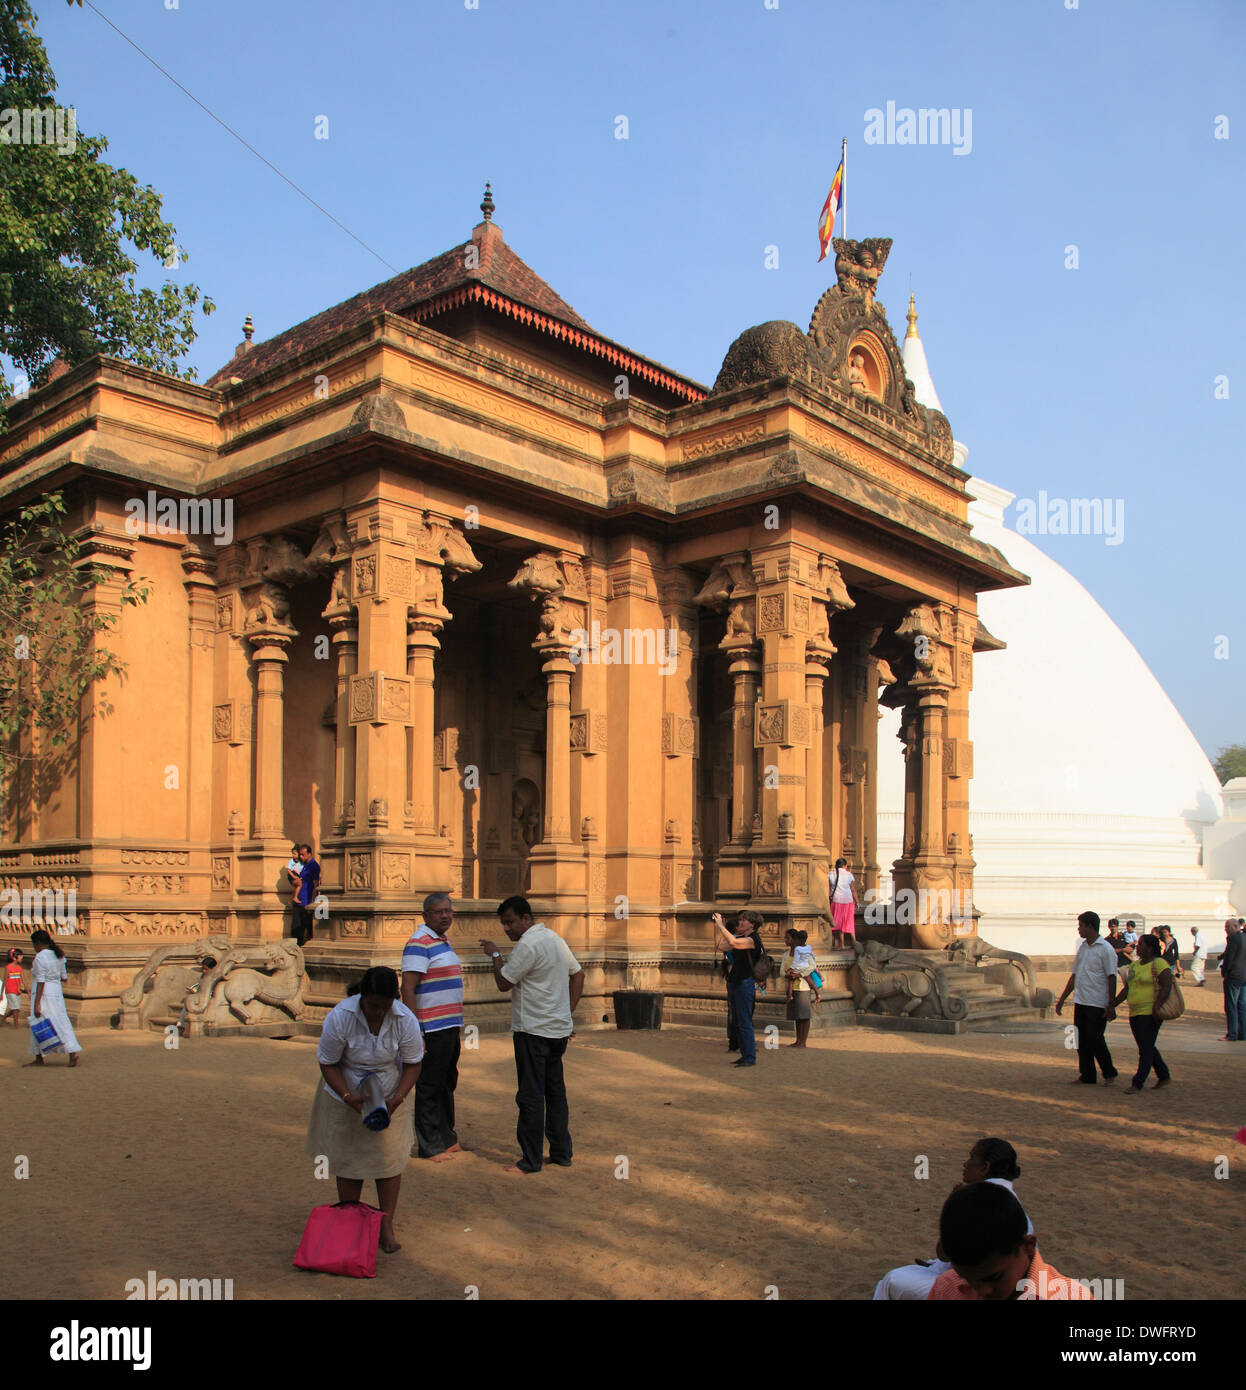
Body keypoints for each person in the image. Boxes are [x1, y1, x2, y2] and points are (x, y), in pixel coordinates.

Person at [304, 966, 422, 1254]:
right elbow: (328, 1063)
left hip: (390, 1088)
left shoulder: (404, 1019)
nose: (379, 1012)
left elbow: (413, 1063)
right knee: (349, 1159)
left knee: (390, 1160)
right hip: (346, 1087)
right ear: (362, 998)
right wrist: (348, 1096)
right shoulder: (341, 1016)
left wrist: (396, 1099)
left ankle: (386, 1225)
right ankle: (351, 1223)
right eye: (373, 1005)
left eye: (385, 1006)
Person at [480, 896, 584, 1174]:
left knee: (531, 1095)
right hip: (555, 1031)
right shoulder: (554, 938)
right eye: (503, 923)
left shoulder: (528, 944)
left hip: (532, 1031)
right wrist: (566, 1014)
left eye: (510, 922)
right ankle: (561, 1153)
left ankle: (530, 1160)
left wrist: (495, 955)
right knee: (555, 1092)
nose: (507, 928)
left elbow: (504, 983)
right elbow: (578, 975)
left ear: (526, 919)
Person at [874, 1137, 1032, 1301]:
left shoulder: (980, 1199)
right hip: (1007, 1285)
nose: (965, 1164)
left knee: (891, 1280)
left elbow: (943, 1253)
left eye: (971, 1158)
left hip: (978, 1289)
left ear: (985, 1167)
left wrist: (951, 1207)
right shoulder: (1009, 1197)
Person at [927, 1183, 1093, 1300]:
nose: (982, 1291)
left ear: (1028, 1246)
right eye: (967, 1279)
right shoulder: (946, 1288)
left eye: (995, 1277)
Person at [401, 893, 465, 1162]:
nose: (445, 916)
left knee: (447, 1081)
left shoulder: (443, 941)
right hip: (431, 1027)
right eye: (439, 912)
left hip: (449, 1024)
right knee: (429, 1084)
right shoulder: (418, 943)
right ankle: (429, 1145)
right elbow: (408, 986)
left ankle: (446, 1136)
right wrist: (415, 1028)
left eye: (448, 911)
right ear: (426, 915)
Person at [1054, 910, 1119, 1085]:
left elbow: (1111, 977)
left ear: (1090, 926)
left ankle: (1109, 1072)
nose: (1079, 929)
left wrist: (1110, 1004)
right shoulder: (1083, 947)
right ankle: (1087, 1074)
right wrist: (1062, 999)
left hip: (1097, 1002)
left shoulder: (1106, 950)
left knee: (1096, 1039)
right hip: (1081, 1000)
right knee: (1080, 1040)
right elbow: (1075, 975)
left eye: (1081, 925)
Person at [1112, 932, 1174, 1094]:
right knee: (1146, 1046)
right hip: (1135, 1012)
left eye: (1141, 944)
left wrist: (1157, 1006)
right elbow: (1128, 989)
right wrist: (1113, 1004)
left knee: (1145, 1048)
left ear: (1150, 948)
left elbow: (1167, 986)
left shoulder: (1159, 964)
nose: (1137, 947)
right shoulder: (1135, 966)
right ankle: (1164, 1075)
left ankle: (1138, 1082)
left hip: (1150, 1012)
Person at [712, 910, 764, 1068]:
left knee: (744, 1021)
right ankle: (745, 1054)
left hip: (744, 983)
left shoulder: (753, 939)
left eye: (744, 921)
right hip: (735, 981)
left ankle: (750, 1057)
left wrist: (721, 925)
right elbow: (720, 945)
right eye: (740, 920)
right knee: (738, 1021)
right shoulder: (741, 937)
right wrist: (716, 926)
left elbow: (733, 943)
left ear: (752, 924)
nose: (740, 923)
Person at [27, 929, 82, 1066]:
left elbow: (41, 981)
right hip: (56, 992)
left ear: (38, 943)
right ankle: (72, 1052)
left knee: (39, 1024)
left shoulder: (40, 958)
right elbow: (64, 977)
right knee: (62, 1023)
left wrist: (36, 1004)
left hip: (43, 994)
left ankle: (39, 1057)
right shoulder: (59, 956)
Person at [780, 928, 817, 1049]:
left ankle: (803, 1041)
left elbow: (812, 966)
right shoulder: (786, 954)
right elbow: (781, 971)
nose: (786, 940)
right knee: (797, 1016)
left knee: (804, 1016)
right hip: (792, 985)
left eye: (788, 938)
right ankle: (798, 1040)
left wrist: (799, 974)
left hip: (802, 987)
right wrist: (788, 975)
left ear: (794, 940)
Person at [1220, 918, 1246, 1042]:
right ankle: (1242, 1033)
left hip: (1234, 976)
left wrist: (1224, 972)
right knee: (1241, 1005)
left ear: (1235, 926)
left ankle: (1232, 1034)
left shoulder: (1233, 938)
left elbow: (1230, 958)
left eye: (1227, 927)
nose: (1226, 929)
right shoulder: (1244, 937)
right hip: (1243, 976)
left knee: (1231, 1005)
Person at [292, 843, 320, 948]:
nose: (301, 857)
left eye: (303, 854)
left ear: (309, 854)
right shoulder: (302, 865)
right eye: (300, 854)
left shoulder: (314, 866)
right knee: (296, 927)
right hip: (299, 898)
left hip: (307, 899)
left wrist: (313, 899)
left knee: (306, 925)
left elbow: (316, 882)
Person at [828, 857, 857, 951]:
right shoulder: (849, 874)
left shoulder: (831, 874)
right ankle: (855, 942)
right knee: (849, 921)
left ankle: (841, 944)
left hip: (836, 900)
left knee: (837, 922)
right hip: (848, 901)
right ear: (845, 865)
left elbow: (828, 889)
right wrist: (857, 901)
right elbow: (853, 890)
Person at [3, 948, 23, 1026]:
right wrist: (2, 993)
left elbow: (23, 979)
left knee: (16, 1009)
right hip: (10, 990)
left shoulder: (19, 968)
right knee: (15, 1009)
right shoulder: (8, 967)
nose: (21, 958)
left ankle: (2, 1019)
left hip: (17, 990)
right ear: (15, 957)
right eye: (20, 956)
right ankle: (16, 1026)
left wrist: (28, 991)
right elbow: (5, 980)